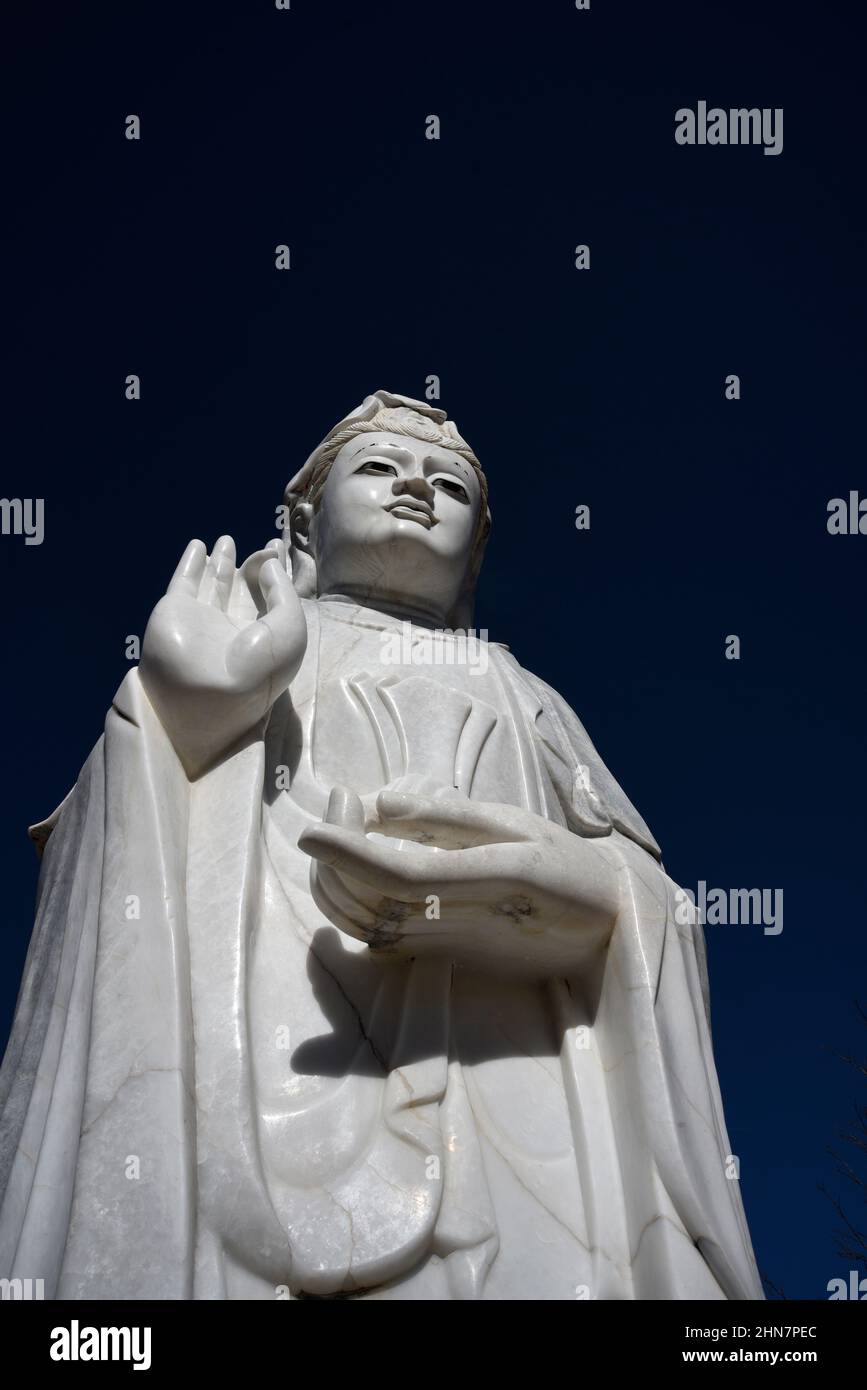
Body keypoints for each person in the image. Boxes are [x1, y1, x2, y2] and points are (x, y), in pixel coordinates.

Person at [0, 390, 762, 1300]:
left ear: (476, 545)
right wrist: (181, 721)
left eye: (450, 484)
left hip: (520, 1083)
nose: (414, 487)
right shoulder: (266, 649)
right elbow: (122, 862)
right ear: (302, 523)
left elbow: (654, 898)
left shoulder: (524, 693)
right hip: (283, 1057)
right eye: (377, 469)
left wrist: (560, 893)